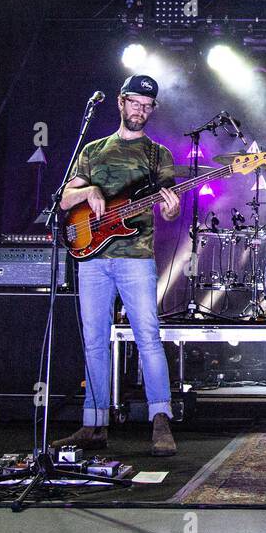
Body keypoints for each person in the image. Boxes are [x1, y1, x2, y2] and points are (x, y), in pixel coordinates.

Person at [53, 74, 182, 456]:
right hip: (91, 256)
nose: (141, 111)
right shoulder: (93, 149)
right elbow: (64, 202)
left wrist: (173, 210)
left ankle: (161, 420)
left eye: (148, 106)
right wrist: (89, 190)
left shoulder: (159, 154)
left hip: (136, 257)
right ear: (121, 103)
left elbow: (169, 206)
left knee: (147, 337)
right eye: (135, 103)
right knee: (94, 341)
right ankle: (94, 424)